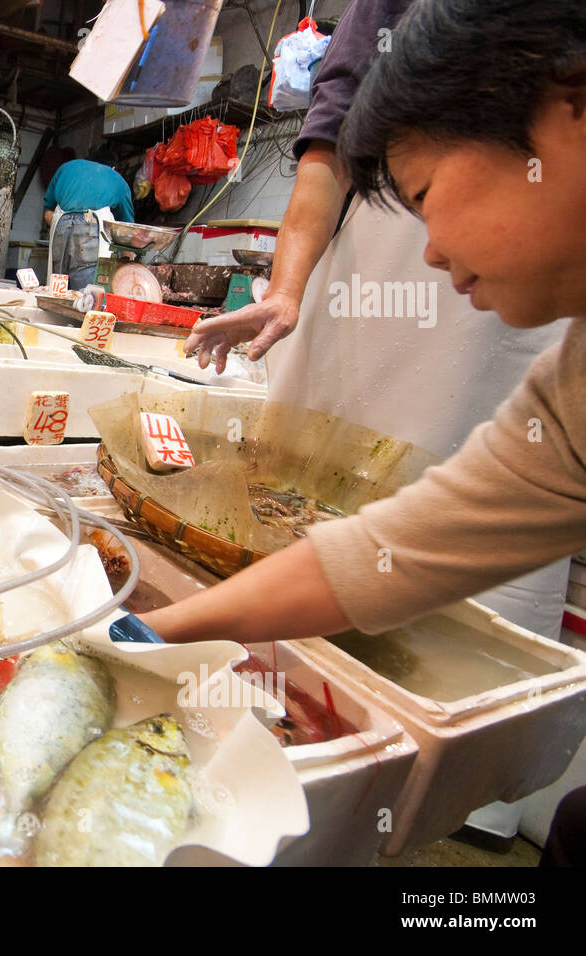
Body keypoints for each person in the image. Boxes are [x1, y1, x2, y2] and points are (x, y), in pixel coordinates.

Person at [139, 0, 586, 862]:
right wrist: (142, 636)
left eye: (423, 197)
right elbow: (390, 553)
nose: (425, 250)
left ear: (567, 104)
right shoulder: (569, 396)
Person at [183, 0, 568, 639]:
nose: (432, 252)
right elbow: (403, 548)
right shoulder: (563, 408)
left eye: (426, 197)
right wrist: (156, 634)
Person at [42, 150, 136, 288]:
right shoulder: (117, 179)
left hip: (60, 228)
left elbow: (48, 212)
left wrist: (66, 229)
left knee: (58, 290)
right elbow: (127, 229)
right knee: (86, 297)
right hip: (89, 233)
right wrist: (129, 264)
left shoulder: (67, 167)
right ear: (114, 168)